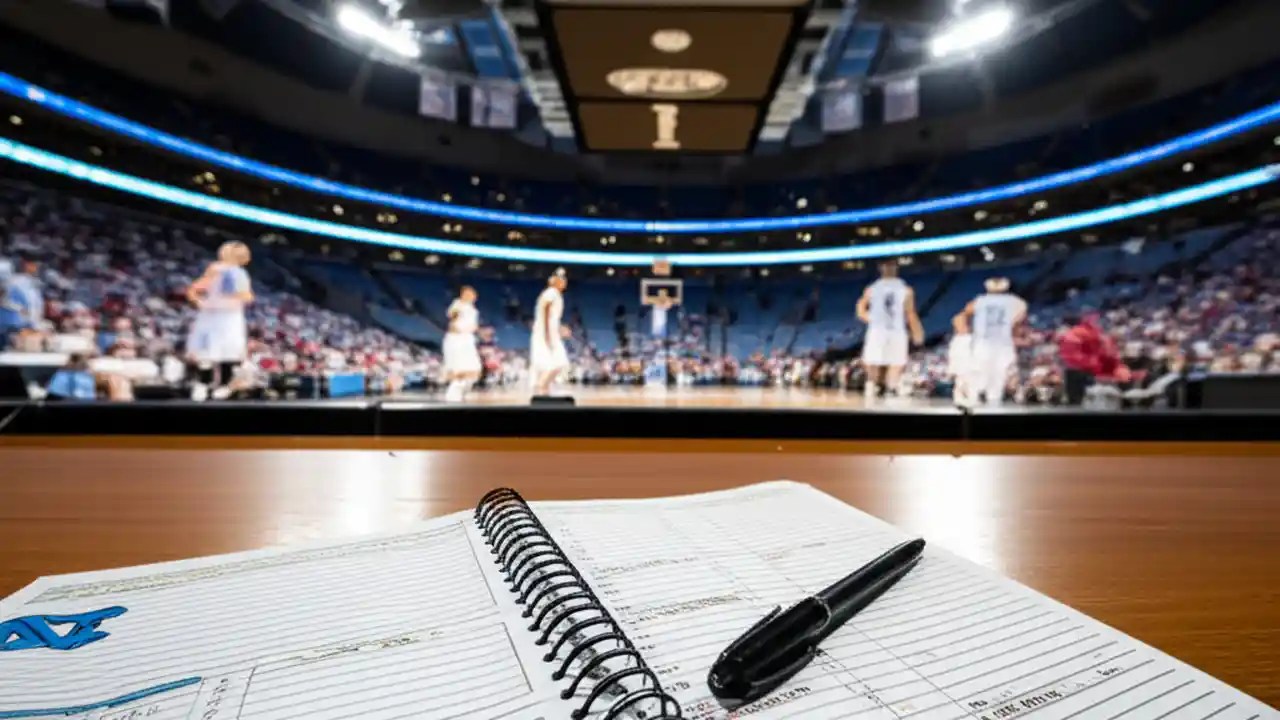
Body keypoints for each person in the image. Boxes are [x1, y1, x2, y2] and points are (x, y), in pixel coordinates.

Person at [185, 241, 253, 400]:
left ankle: (222, 385)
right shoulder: (216, 269)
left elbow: (246, 296)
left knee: (228, 352)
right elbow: (194, 289)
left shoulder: (239, 273)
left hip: (230, 316)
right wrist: (200, 301)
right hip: (213, 315)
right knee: (207, 351)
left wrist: (233, 299)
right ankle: (204, 383)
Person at [856, 260, 924, 400]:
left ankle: (888, 387)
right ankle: (875, 385)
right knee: (874, 359)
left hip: (894, 330)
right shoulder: (873, 289)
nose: (889, 268)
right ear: (881, 267)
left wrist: (917, 330)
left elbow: (910, 312)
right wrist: (869, 318)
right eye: (887, 266)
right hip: (883, 330)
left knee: (895, 360)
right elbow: (861, 308)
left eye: (891, 266)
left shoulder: (903, 289)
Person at [955, 277, 1027, 407]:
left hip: (983, 342)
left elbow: (962, 315)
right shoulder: (1016, 302)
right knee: (998, 374)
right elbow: (1019, 318)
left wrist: (965, 331)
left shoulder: (979, 301)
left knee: (979, 371)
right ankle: (993, 400)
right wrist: (1012, 326)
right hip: (1001, 342)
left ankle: (975, 398)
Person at [531, 269, 571, 396]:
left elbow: (552, 317)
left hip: (550, 332)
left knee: (559, 363)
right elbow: (546, 312)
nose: (564, 282)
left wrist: (560, 328)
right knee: (552, 364)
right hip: (545, 333)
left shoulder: (556, 295)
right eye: (561, 279)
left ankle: (544, 388)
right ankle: (541, 388)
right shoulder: (551, 293)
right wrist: (548, 334)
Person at [442, 285, 481, 402]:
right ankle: (453, 393)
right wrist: (456, 327)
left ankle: (462, 391)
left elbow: (473, 324)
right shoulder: (458, 304)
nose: (472, 296)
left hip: (467, 339)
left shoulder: (473, 310)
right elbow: (452, 318)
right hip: (457, 340)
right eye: (469, 294)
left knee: (474, 369)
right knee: (459, 368)